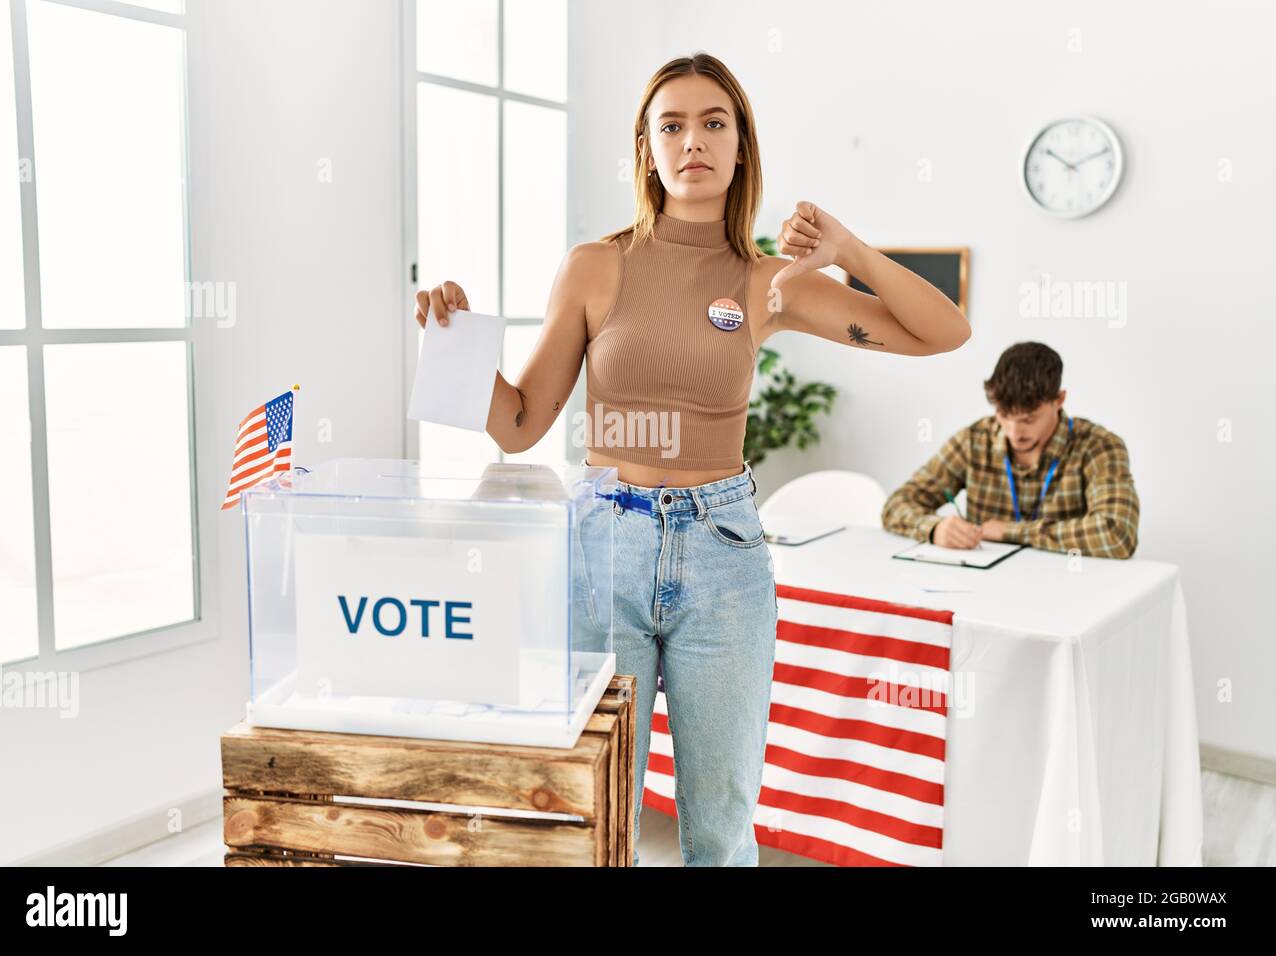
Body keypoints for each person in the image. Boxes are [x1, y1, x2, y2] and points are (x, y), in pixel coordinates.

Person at [414, 52, 970, 865]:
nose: (693, 140)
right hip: (606, 546)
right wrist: (452, 341)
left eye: (715, 123)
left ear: (741, 146)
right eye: (671, 124)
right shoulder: (596, 266)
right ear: (646, 148)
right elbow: (522, 423)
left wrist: (847, 247)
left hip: (724, 554)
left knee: (718, 824)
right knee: (599, 817)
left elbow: (943, 331)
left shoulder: (768, 281)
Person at [881, 341, 1140, 559]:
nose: (1015, 433)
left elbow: (1118, 534)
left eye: (1028, 419)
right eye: (1004, 416)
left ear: (1059, 400)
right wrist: (935, 528)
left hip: (1069, 592)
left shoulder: (1099, 446)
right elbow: (896, 505)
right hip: (983, 591)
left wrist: (1010, 531)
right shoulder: (974, 441)